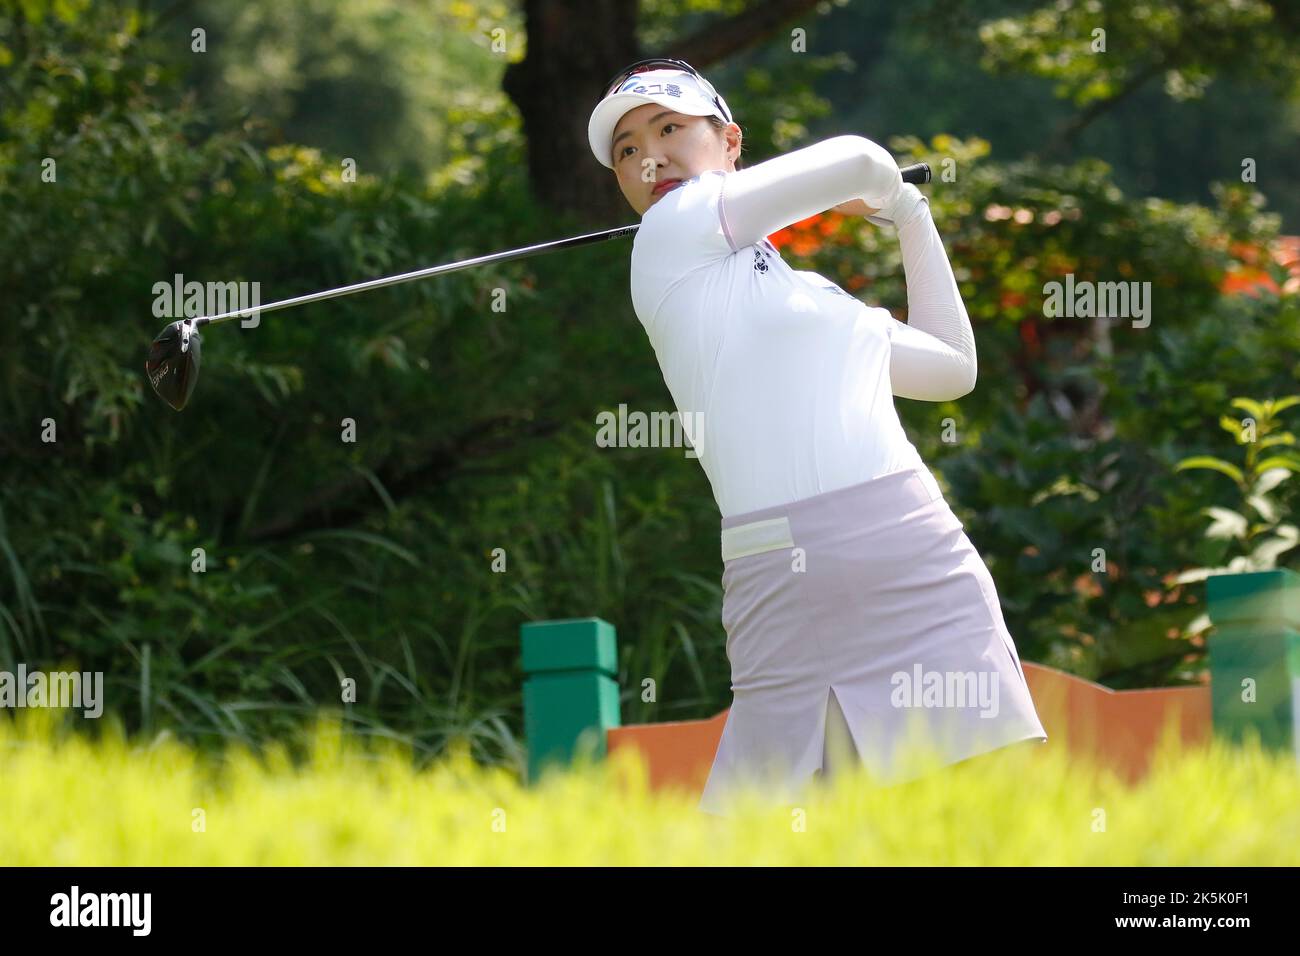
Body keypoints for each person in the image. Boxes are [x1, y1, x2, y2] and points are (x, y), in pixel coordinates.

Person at [588, 59, 1048, 816]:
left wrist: (912, 219)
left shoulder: (815, 296)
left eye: (670, 128)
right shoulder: (670, 232)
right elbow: (861, 160)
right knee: (771, 828)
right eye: (626, 150)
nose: (649, 157)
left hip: (914, 551)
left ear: (729, 140)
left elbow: (952, 369)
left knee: (977, 818)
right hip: (779, 571)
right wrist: (891, 189)